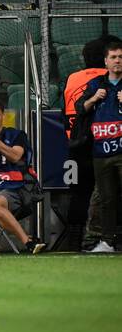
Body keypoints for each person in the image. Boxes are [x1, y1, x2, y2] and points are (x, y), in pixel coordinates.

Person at [73, 39, 122, 253]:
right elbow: (79, 107)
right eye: (113, 57)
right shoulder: (96, 84)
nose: (118, 61)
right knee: (107, 199)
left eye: (121, 57)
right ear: (105, 61)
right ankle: (108, 242)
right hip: (100, 151)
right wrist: (93, 98)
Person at [0, 99, 45, 254]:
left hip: (17, 187)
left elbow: (16, 157)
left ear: (3, 115)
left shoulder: (16, 135)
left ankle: (28, 242)